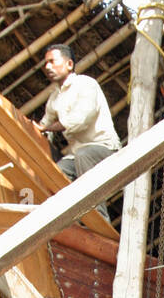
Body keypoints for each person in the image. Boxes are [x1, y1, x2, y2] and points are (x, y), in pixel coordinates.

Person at [38, 45, 120, 218]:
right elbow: (44, 125)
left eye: (52, 61)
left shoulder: (86, 84)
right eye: (46, 63)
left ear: (69, 64)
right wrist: (39, 131)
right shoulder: (54, 99)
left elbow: (81, 120)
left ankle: (99, 217)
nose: (47, 67)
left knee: (84, 155)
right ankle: (68, 220)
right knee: (58, 172)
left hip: (105, 150)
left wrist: (47, 128)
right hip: (78, 156)